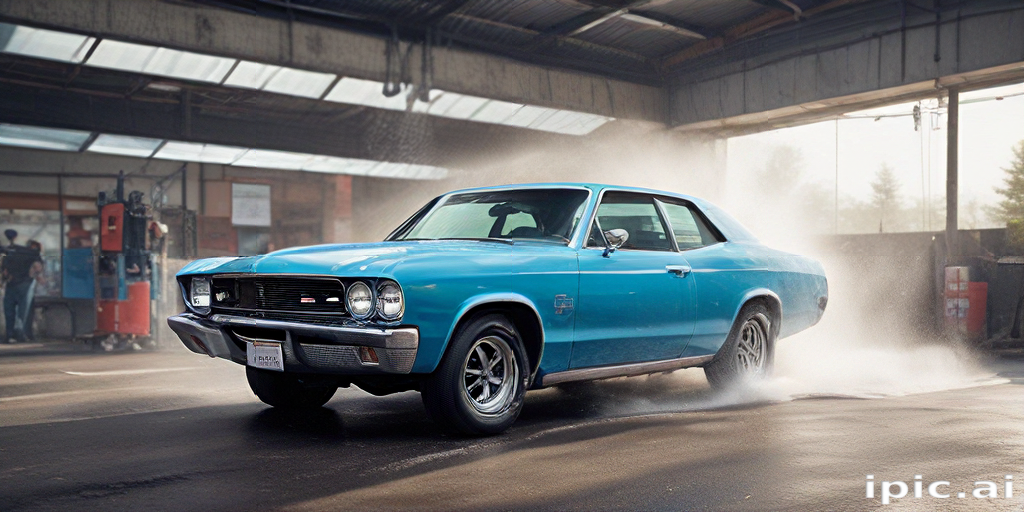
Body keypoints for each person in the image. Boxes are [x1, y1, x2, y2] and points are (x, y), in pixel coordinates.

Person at [2, 229, 42, 343]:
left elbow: (4, 270)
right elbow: (38, 267)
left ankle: (11, 334)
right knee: (23, 311)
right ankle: (19, 333)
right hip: (25, 282)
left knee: (10, 310)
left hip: (12, 283)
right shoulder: (31, 253)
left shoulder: (8, 251)